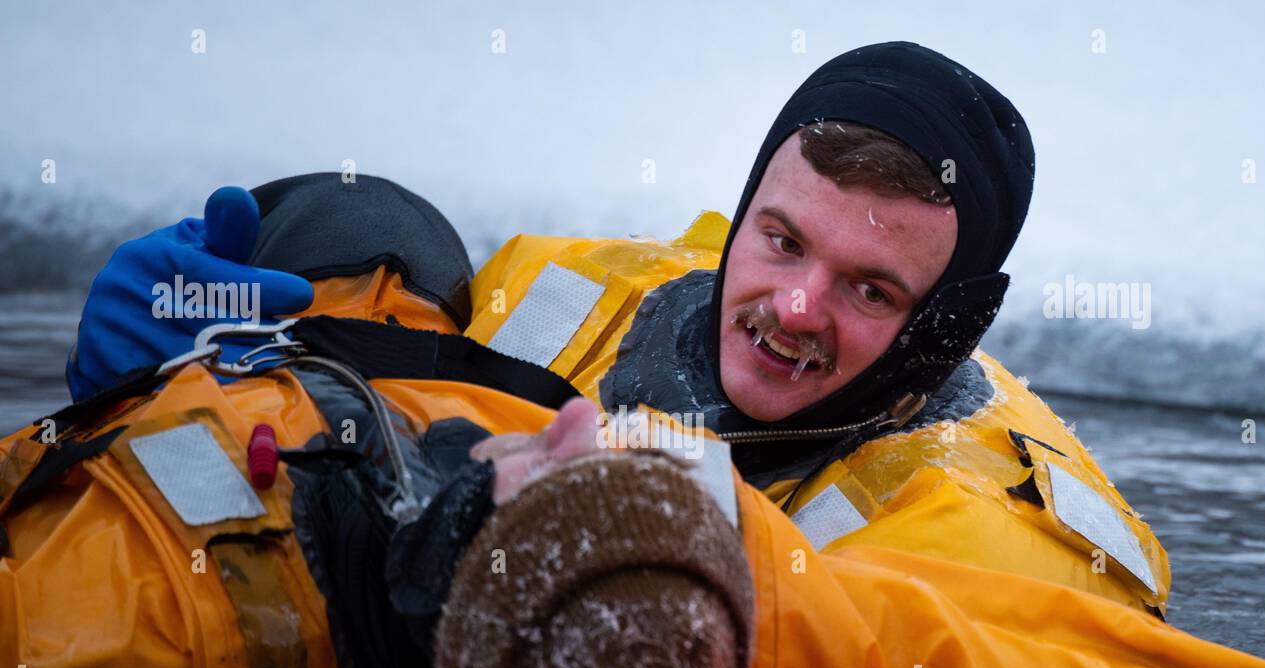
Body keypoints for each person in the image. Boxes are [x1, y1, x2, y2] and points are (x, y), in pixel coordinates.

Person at [3, 315, 1265, 668]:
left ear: (465, 556)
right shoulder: (753, 650)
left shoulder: (143, 649)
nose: (585, 419)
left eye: (571, 467)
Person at [63, 42, 1170, 620]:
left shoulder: (988, 533)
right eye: (781, 241)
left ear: (941, 326)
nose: (792, 309)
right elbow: (412, 370)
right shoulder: (586, 296)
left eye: (870, 291)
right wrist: (182, 365)